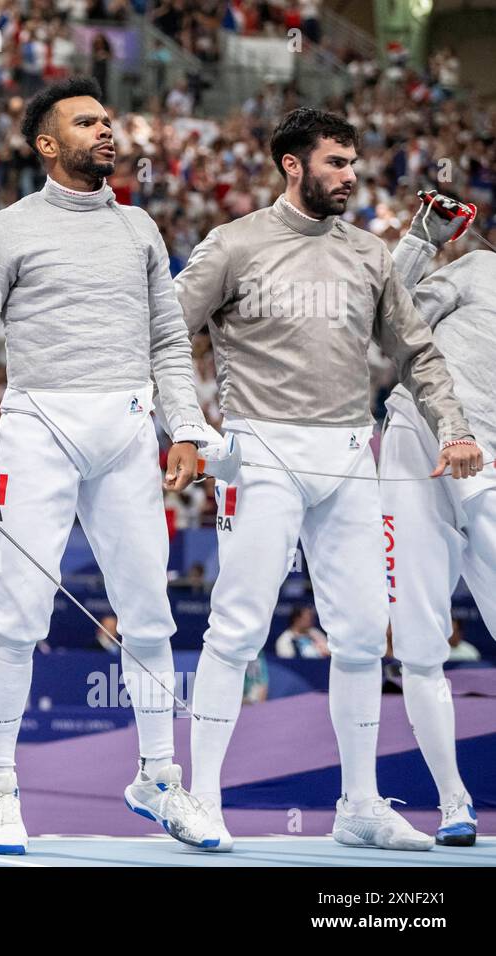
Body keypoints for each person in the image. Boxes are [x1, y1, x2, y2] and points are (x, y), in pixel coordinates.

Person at [174, 109, 483, 852]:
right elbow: (163, 332)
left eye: (353, 162)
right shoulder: (236, 244)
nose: (352, 176)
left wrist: (456, 428)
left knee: (356, 638)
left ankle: (360, 805)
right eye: (338, 163)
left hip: (350, 455)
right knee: (239, 626)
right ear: (293, 165)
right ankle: (204, 800)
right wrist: (186, 424)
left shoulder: (370, 255)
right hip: (264, 454)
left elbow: (418, 353)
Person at [0, 78, 223, 855]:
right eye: (86, 122)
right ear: (48, 145)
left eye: (108, 120)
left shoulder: (141, 232)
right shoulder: (3, 231)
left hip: (127, 427)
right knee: (17, 614)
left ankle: (158, 778)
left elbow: (168, 341)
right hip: (39, 427)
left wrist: (185, 427)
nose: (106, 131)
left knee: (151, 613)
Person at [379, 189, 495, 847]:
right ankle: (454, 803)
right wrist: (422, 238)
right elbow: (389, 315)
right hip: (418, 440)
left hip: (488, 470)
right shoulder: (480, 271)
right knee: (419, 639)